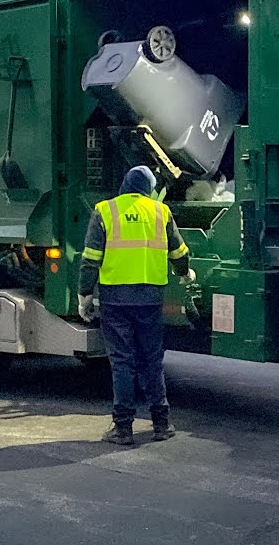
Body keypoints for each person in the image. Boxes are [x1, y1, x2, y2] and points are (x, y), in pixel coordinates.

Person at [79, 165, 194, 446]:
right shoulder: (160, 211)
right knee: (152, 361)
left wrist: (84, 295)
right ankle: (161, 424)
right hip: (150, 300)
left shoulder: (105, 210)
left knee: (122, 363)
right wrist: (184, 273)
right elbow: (178, 251)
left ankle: (123, 428)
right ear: (149, 187)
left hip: (115, 300)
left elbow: (91, 258)